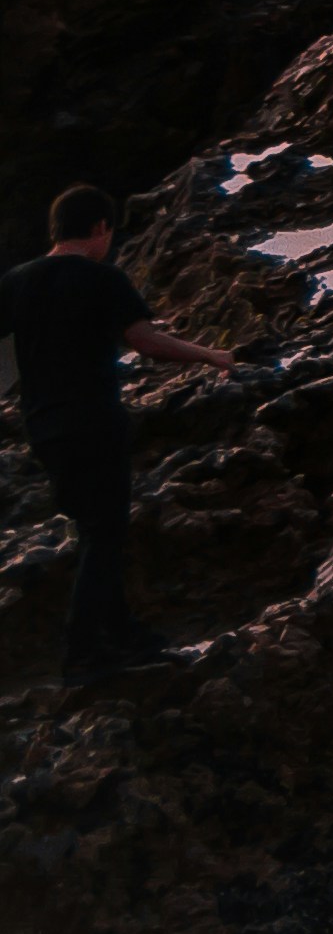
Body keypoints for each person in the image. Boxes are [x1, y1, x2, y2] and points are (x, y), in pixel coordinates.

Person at [9, 187, 226, 680]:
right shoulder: (102, 278)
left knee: (96, 528)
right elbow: (145, 341)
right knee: (103, 534)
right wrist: (210, 355)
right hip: (92, 420)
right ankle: (83, 651)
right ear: (101, 229)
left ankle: (121, 629)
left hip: (43, 426)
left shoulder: (17, 280)